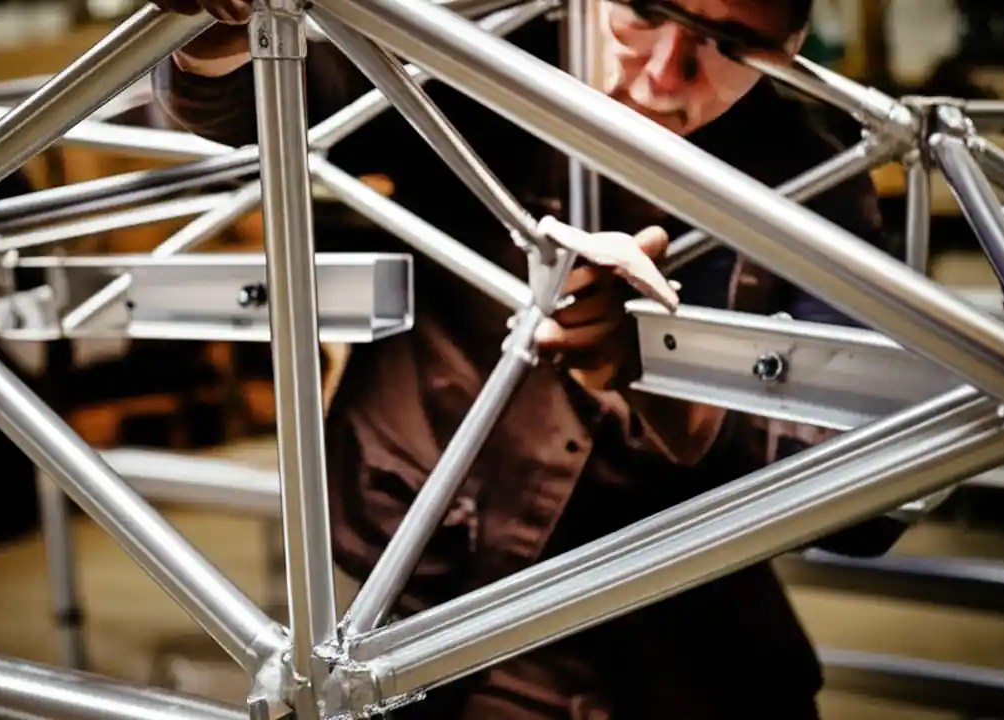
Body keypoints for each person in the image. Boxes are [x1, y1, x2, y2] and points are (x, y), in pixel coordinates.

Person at [149, 0, 892, 717]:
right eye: (644, 10)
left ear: (794, 45)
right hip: (433, 614)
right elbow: (256, 97)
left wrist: (667, 381)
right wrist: (220, 25)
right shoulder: (480, 55)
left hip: (676, 628)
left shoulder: (811, 174)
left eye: (731, 47)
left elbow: (870, 498)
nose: (667, 73)